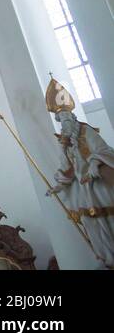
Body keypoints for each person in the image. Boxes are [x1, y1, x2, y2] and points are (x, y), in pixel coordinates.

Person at [46, 77, 114, 267]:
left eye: (68, 118)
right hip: (83, 190)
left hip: (99, 185)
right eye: (62, 120)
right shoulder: (65, 143)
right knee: (91, 223)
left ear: (73, 117)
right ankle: (106, 257)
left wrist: (93, 163)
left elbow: (105, 151)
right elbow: (65, 169)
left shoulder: (86, 131)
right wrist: (58, 185)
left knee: (108, 218)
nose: (65, 122)